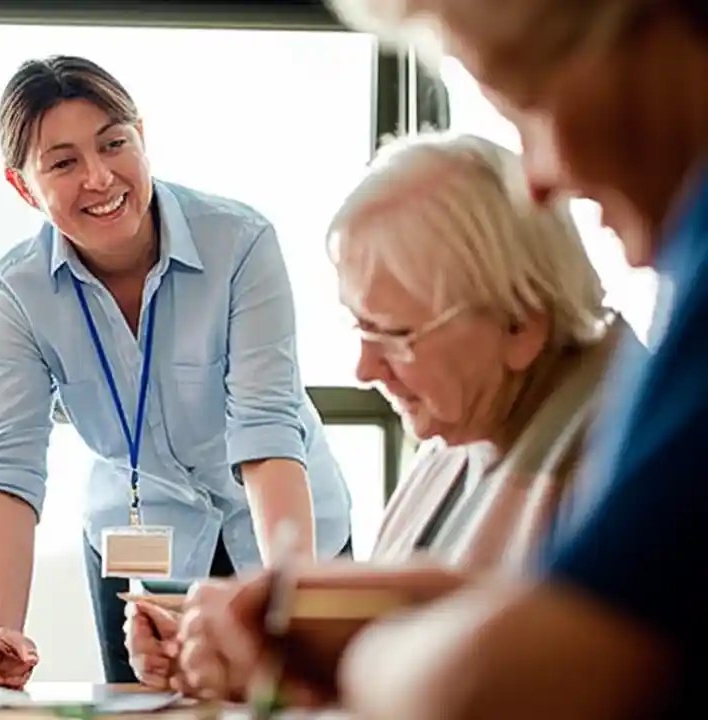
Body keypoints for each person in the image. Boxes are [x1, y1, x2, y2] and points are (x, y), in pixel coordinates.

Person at [173, 1, 708, 717]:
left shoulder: (617, 415)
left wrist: (337, 655)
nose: (542, 180)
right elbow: (564, 597)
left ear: (521, 322)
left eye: (395, 334)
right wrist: (305, 617)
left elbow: (500, 683)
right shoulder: (454, 452)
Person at [131, 131, 637, 697]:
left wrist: (289, 676)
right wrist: (242, 650)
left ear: (520, 322)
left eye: (394, 334)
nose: (364, 368)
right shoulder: (466, 434)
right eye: (360, 327)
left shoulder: (619, 459)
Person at [0, 54, 353, 687]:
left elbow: (266, 427)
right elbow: (7, 465)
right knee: (145, 706)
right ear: (22, 186)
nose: (99, 177)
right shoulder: (20, 291)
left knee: (297, 699)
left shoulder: (240, 242)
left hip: (282, 531)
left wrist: (292, 594)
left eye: (114, 143)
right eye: (62, 163)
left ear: (141, 135)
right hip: (142, 542)